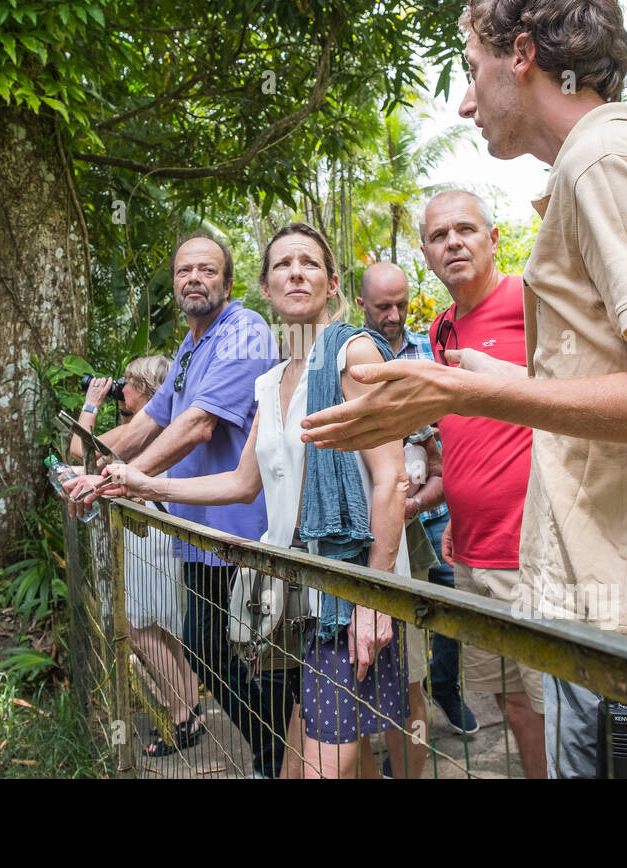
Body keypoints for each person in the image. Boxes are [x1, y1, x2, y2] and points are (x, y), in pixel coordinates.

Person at [299, 0, 627, 779]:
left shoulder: (603, 161)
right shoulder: (586, 171)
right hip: (600, 606)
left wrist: (470, 389)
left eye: (471, 72)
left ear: (521, 53)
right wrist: (499, 385)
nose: (467, 102)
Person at [104, 224, 415, 779]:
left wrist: (371, 596)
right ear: (266, 290)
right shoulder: (271, 381)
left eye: (309, 263)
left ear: (333, 284)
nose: (296, 272)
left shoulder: (354, 352)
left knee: (317, 769)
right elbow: (243, 482)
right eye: (282, 265)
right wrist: (147, 485)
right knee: (334, 763)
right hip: (293, 597)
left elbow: (391, 479)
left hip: (346, 591)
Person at [61, 235, 291, 779]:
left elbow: (198, 424)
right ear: (174, 285)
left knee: (251, 656)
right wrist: (93, 470)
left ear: (227, 283)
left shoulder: (243, 331)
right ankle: (277, 753)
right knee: (215, 651)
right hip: (197, 534)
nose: (194, 278)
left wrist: (136, 478)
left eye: (207, 270)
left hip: (240, 533)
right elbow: (147, 424)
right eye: (184, 270)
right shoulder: (189, 347)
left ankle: (282, 755)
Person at [420, 190, 547, 777]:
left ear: (493, 238)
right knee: (506, 694)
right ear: (426, 252)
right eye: (439, 236)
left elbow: (580, 391)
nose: (453, 243)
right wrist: (453, 516)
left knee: (557, 701)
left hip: (534, 550)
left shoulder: (531, 299)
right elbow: (456, 430)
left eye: (466, 229)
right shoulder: (440, 328)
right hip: (469, 548)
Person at [357, 260, 479, 741]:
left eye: (402, 304)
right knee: (394, 619)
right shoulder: (355, 356)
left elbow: (446, 433)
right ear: (362, 303)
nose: (394, 314)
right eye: (383, 306)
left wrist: (431, 493)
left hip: (437, 510)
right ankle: (395, 724)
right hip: (386, 514)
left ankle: (444, 687)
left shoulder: (430, 350)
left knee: (449, 607)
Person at [75, 356, 205, 758]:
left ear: (147, 391)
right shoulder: (172, 426)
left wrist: (92, 401)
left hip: (145, 536)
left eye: (127, 384)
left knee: (139, 629)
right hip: (160, 534)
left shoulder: (141, 429)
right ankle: (189, 711)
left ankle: (180, 718)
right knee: (164, 631)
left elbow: (78, 447)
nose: (121, 390)